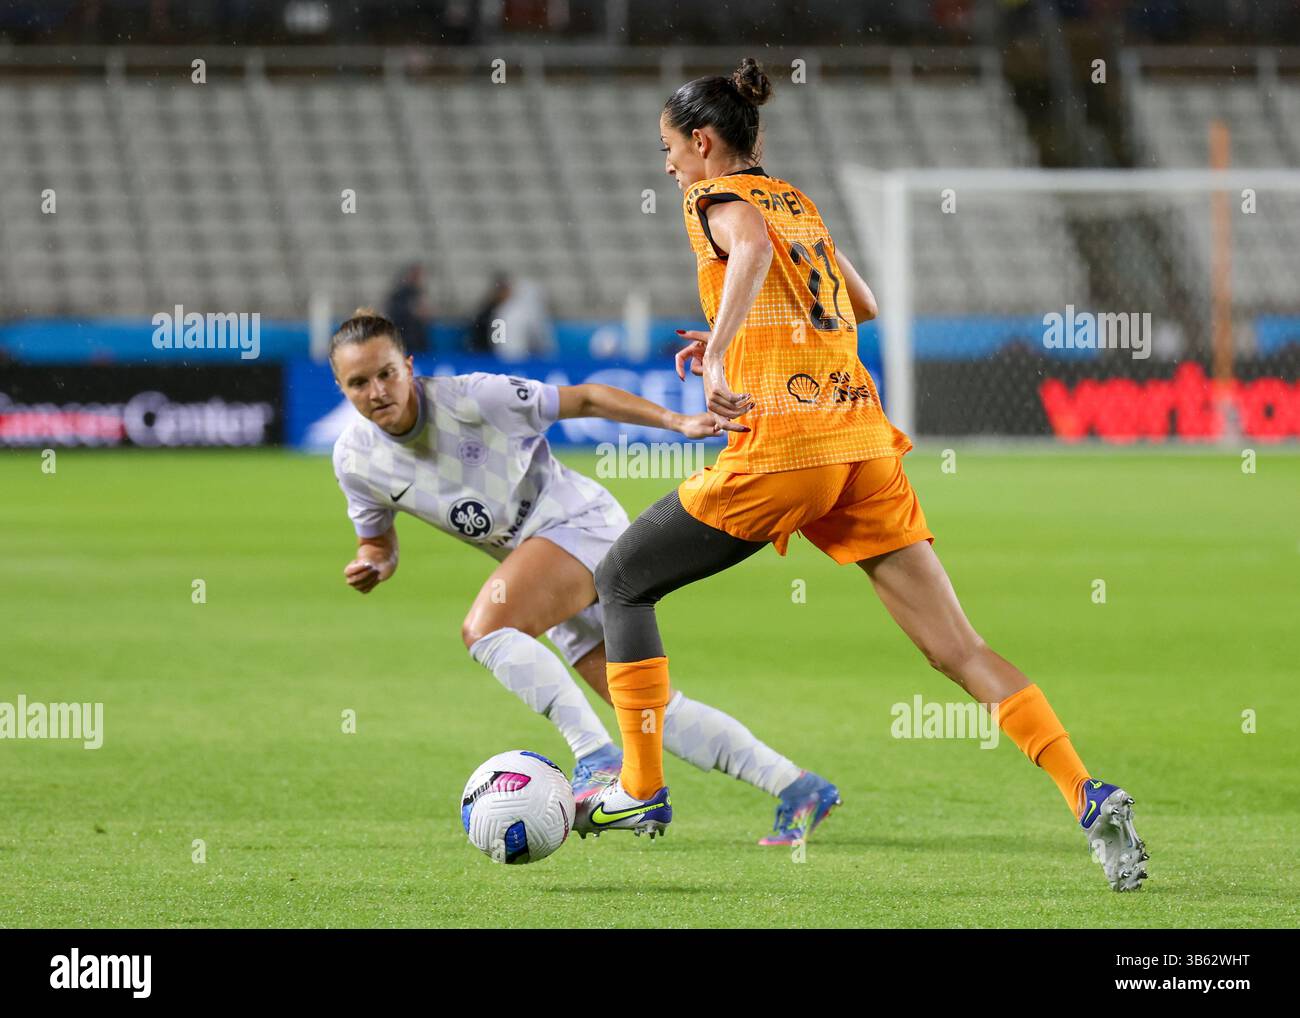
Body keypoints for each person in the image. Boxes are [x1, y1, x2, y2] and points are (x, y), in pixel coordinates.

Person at [584, 58, 1148, 891]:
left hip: (788, 451)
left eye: (669, 146)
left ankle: (640, 789)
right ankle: (1086, 792)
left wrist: (725, 352)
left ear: (703, 143)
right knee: (960, 649)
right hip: (864, 447)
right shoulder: (797, 201)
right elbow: (864, 306)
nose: (665, 162)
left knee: (621, 582)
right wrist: (755, 333)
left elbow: (747, 249)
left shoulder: (712, 200)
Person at [329, 307, 842, 845]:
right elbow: (378, 541)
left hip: (578, 524)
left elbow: (587, 398)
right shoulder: (355, 460)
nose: (377, 391)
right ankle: (797, 786)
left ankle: (597, 758)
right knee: (650, 711)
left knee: (485, 630)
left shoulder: (472, 396)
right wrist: (375, 565)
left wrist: (678, 422)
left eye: (386, 372)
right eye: (359, 382)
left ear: (408, 366)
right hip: (538, 565)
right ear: (342, 388)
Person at [385, 264, 433, 356]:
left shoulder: (419, 293)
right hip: (405, 339)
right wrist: (412, 312)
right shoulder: (400, 295)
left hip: (418, 341)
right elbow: (395, 313)